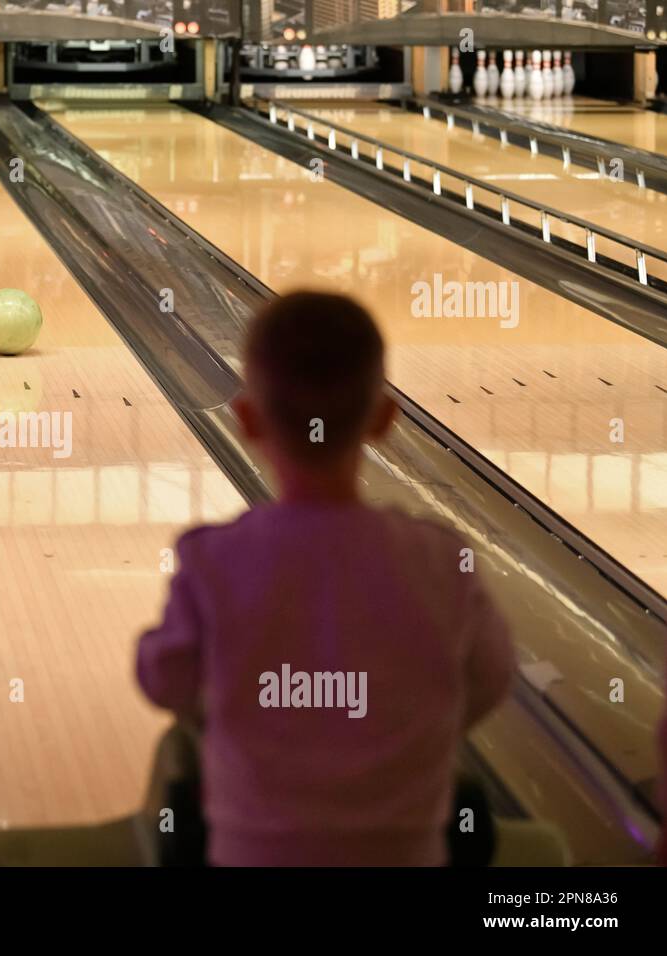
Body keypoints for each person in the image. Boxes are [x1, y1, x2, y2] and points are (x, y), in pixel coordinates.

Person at [137, 291, 515, 866]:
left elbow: (165, 676)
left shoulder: (214, 559)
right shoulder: (443, 560)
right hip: (407, 855)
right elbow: (490, 678)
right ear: (385, 419)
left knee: (181, 763)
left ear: (246, 419)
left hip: (250, 854)